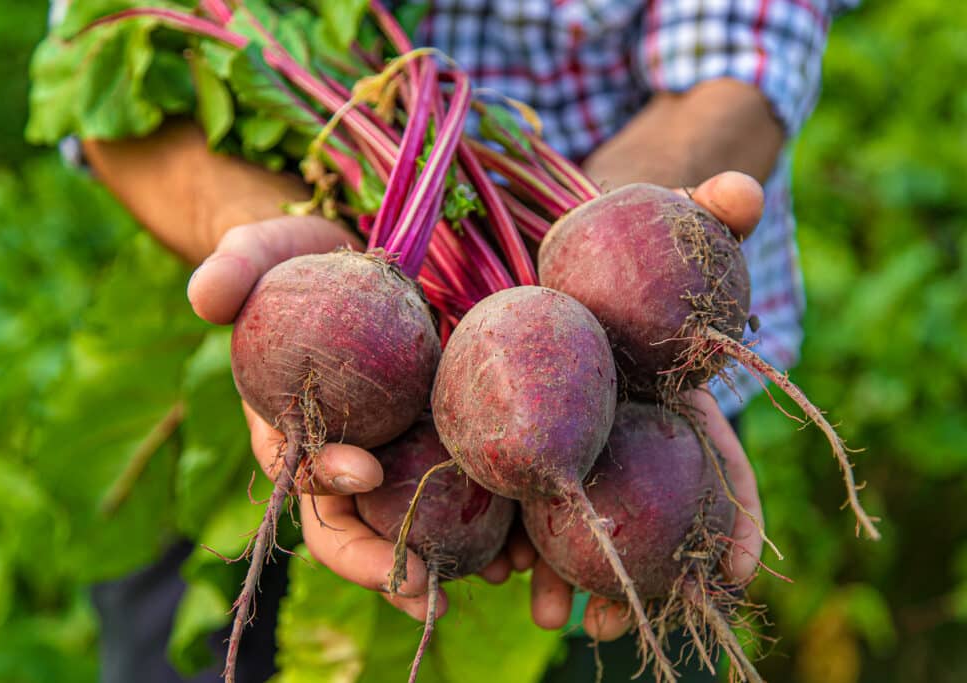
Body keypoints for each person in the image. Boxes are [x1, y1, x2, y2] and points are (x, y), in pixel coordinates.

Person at [70, 0, 853, 679]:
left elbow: (741, 69)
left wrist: (611, 245)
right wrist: (238, 222)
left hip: (655, 385)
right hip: (281, 291)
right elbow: (87, 75)